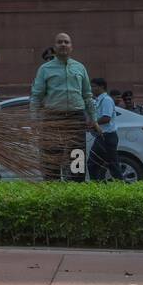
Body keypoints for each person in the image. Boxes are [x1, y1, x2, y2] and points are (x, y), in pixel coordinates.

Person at [29, 32, 97, 181]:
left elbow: (87, 95)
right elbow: (36, 96)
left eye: (66, 42)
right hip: (53, 117)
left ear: (71, 47)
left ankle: (77, 188)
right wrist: (34, 120)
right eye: (60, 42)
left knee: (77, 156)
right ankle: (53, 191)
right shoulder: (45, 69)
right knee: (52, 155)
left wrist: (94, 119)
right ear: (55, 46)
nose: (63, 45)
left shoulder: (80, 67)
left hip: (76, 117)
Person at [87, 77, 119, 181]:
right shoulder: (98, 100)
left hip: (107, 137)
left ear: (102, 87)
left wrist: (93, 124)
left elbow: (106, 118)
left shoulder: (106, 100)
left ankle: (97, 187)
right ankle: (99, 186)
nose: (92, 89)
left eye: (94, 86)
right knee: (100, 164)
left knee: (95, 163)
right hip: (103, 137)